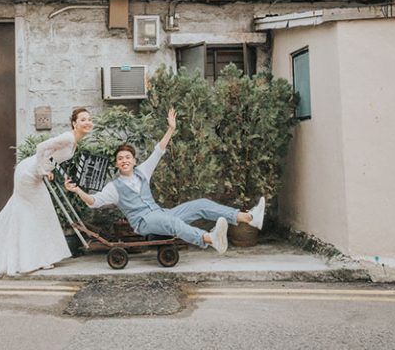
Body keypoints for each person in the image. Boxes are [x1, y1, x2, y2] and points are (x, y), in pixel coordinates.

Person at [65, 108, 264, 254]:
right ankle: (209, 239)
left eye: (128, 158)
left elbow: (158, 151)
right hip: (144, 222)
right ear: (117, 164)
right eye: (120, 159)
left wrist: (171, 128)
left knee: (200, 205)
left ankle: (248, 218)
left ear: (134, 161)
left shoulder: (142, 172)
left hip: (161, 213)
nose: (124, 161)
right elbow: (93, 202)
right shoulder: (114, 187)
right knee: (171, 222)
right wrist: (77, 191)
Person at [0, 108, 94, 279]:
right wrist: (41, 169)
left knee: (35, 213)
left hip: (33, 172)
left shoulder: (73, 140)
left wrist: (59, 175)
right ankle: (34, 258)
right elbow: (41, 147)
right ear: (74, 123)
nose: (87, 122)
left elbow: (52, 158)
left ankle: (35, 257)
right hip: (28, 173)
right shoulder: (68, 137)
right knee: (36, 213)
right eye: (83, 119)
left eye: (89, 119)